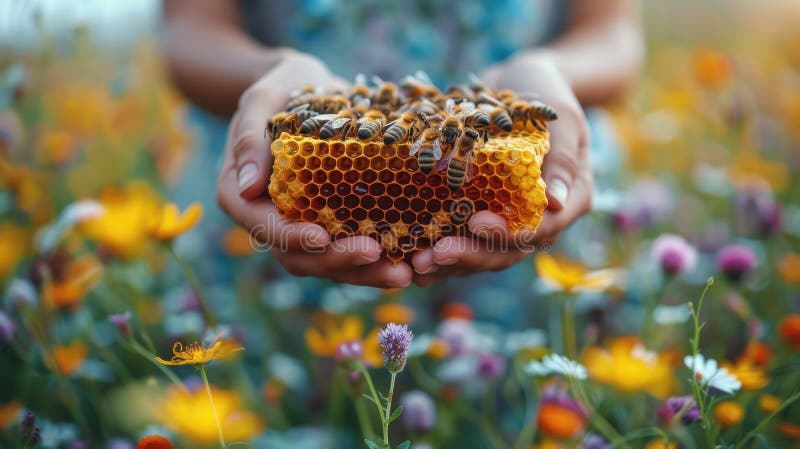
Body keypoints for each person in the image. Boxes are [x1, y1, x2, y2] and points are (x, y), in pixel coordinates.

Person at [162, 0, 643, 289]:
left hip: (529, 238)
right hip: (272, 209)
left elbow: (610, 29)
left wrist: (550, 73)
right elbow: (191, 25)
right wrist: (267, 79)